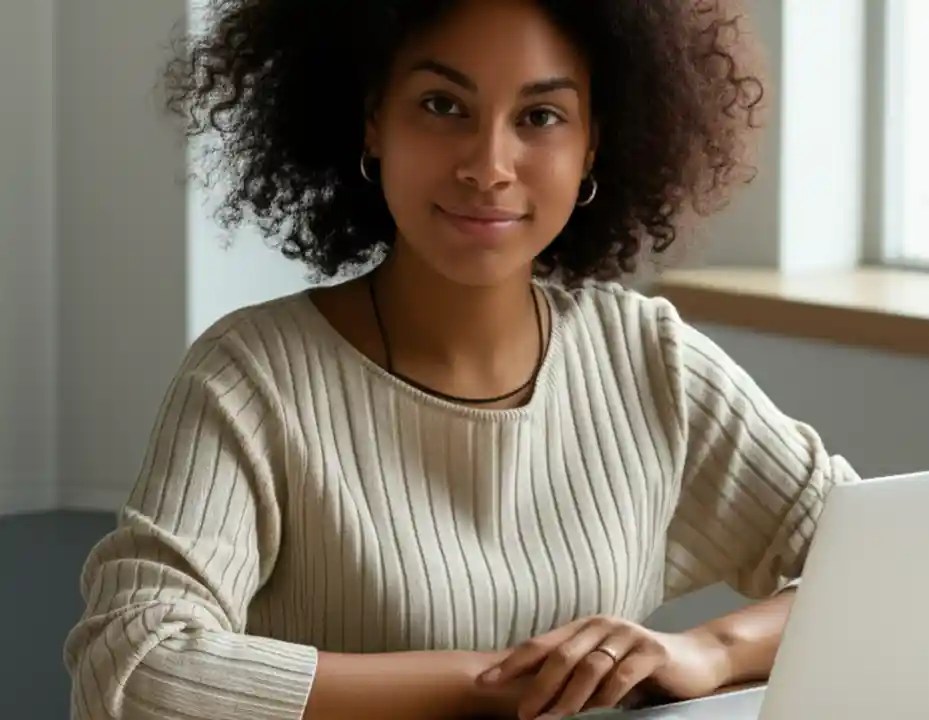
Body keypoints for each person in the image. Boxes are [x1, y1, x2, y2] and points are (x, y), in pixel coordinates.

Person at [63, 1, 860, 718]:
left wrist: (706, 651)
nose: (488, 166)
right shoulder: (252, 378)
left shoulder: (648, 360)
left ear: (595, 145)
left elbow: (881, 564)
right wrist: (490, 684)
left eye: (542, 115)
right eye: (443, 106)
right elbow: (132, 669)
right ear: (373, 119)